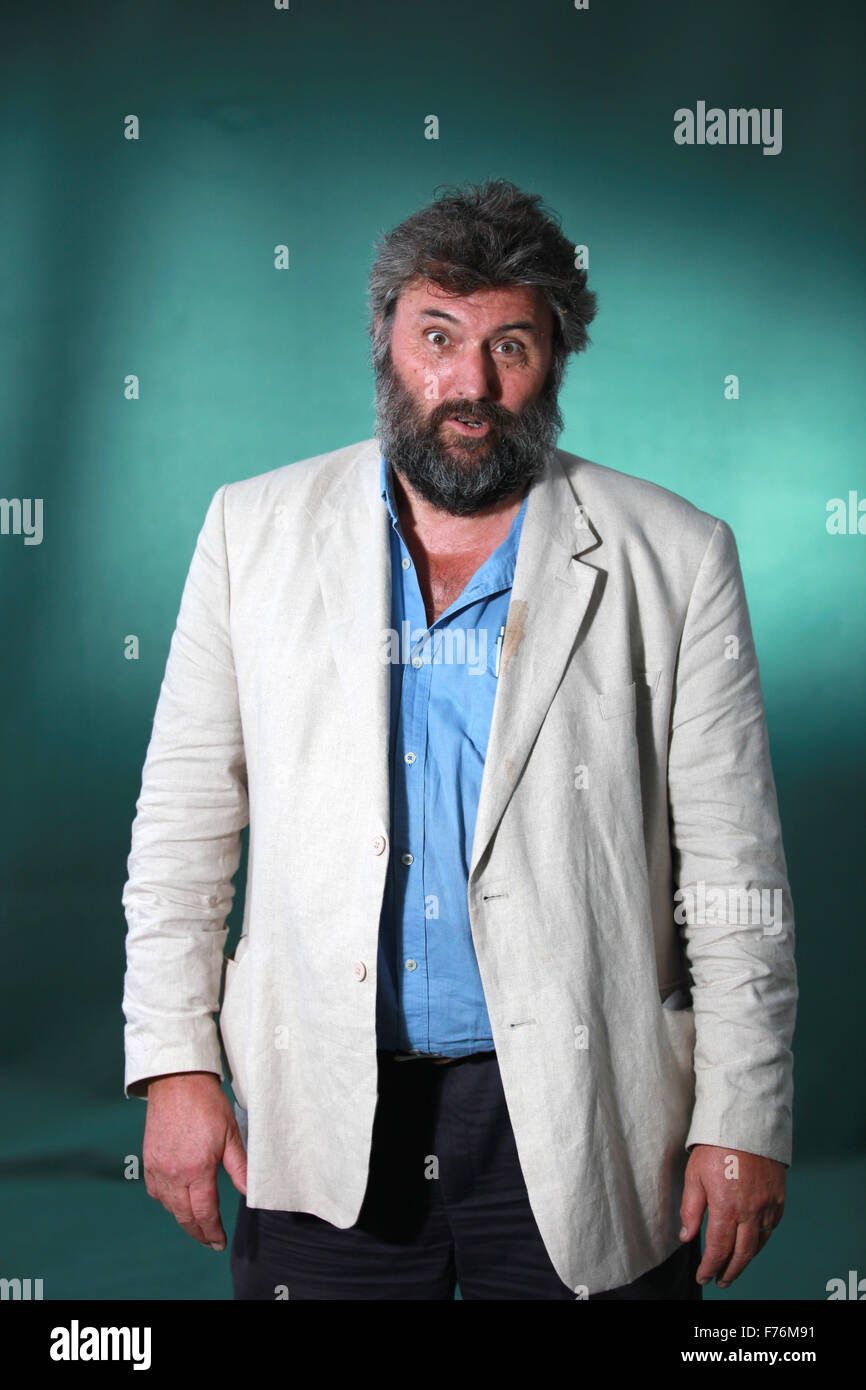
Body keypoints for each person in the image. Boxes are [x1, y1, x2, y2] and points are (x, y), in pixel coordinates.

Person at [122, 179, 797, 1301]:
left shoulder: (674, 556)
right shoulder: (251, 531)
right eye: (437, 337)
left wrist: (744, 1111)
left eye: (509, 345)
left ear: (556, 360)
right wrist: (177, 1064)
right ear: (386, 340)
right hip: (324, 1107)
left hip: (584, 1120)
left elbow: (733, 874)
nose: (469, 384)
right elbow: (185, 823)